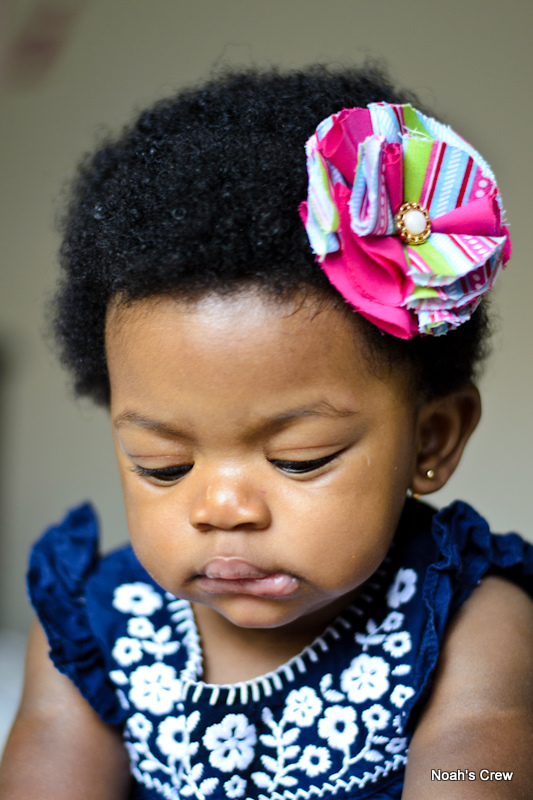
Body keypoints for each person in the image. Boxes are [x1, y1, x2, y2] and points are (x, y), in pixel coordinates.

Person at [0, 65, 532, 800]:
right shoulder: (94, 624)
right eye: (162, 464)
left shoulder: (470, 622)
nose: (222, 508)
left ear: (432, 440)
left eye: (298, 459)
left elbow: (478, 772)